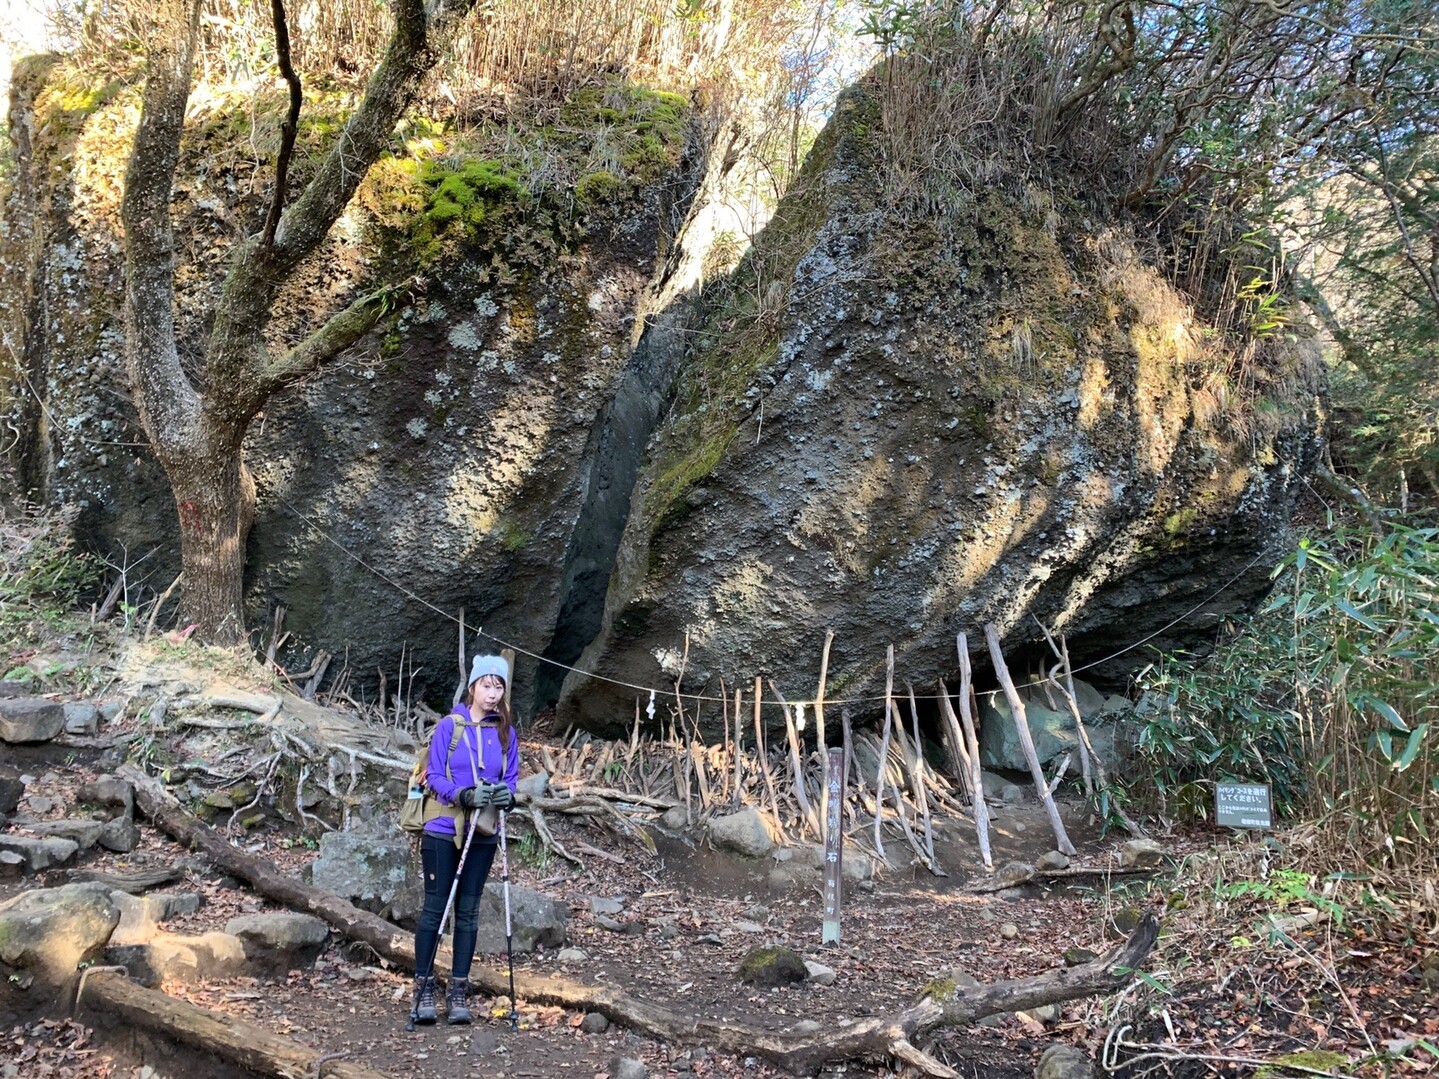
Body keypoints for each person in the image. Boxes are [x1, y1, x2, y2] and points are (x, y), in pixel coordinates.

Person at [410, 654, 519, 1025]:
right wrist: (462, 795)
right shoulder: (449, 726)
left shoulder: (505, 732)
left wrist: (508, 796)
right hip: (443, 827)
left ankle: (458, 990)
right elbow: (434, 775)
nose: (492, 693)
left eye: (498, 686)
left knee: (468, 911)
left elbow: (513, 779)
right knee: (435, 908)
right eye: (486, 685)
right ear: (472, 687)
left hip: (484, 830)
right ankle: (423, 987)